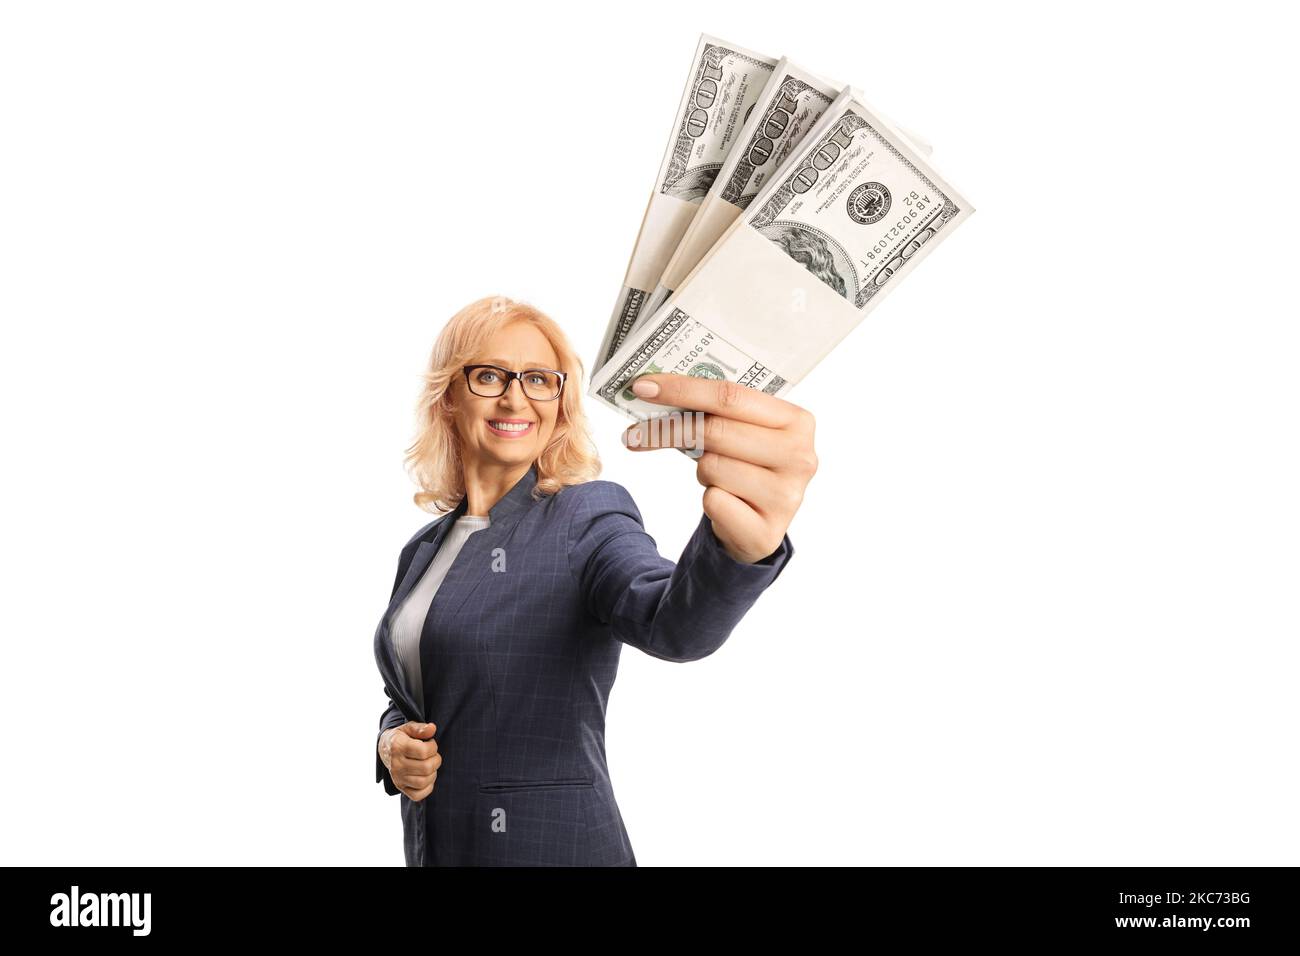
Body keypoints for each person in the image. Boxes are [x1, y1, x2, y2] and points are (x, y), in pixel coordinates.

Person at [373, 295, 817, 865]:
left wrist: (737, 549)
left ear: (560, 403)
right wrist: (391, 743)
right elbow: (406, 692)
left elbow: (671, 622)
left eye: (539, 379)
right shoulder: (422, 551)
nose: (516, 397)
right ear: (448, 397)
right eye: (490, 375)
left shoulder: (585, 516)